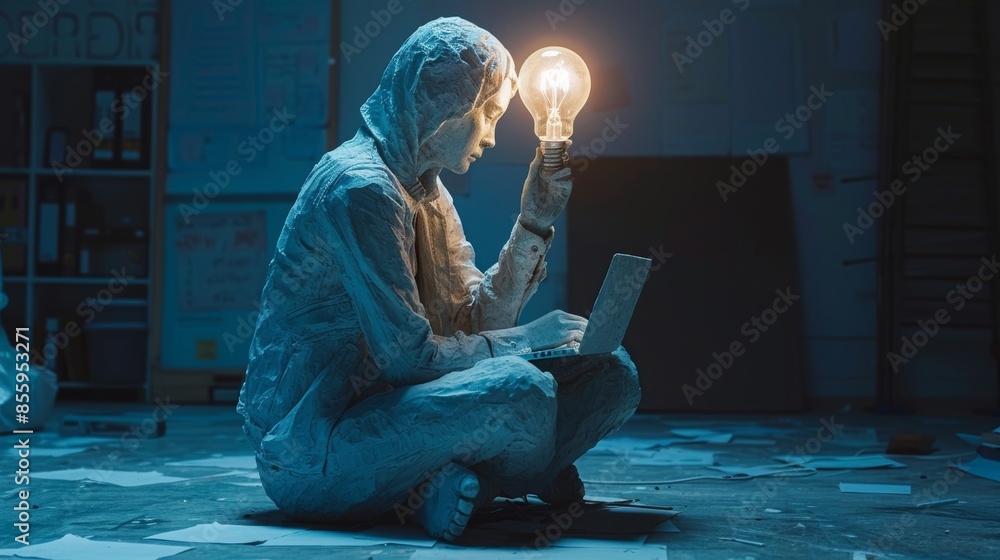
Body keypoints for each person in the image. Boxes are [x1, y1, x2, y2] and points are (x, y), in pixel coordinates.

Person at [237, 16, 640, 541]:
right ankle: (495, 476)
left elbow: (469, 321)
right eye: (488, 114)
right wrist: (527, 340)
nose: (492, 137)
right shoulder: (359, 189)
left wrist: (533, 222)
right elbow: (409, 360)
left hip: (405, 410)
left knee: (613, 373)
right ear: (441, 103)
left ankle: (461, 480)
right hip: (318, 444)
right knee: (524, 391)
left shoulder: (426, 191)